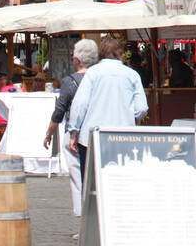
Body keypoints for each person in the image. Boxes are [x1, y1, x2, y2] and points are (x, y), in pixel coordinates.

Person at [68, 36, 149, 183]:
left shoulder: (92, 73)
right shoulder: (132, 75)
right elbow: (142, 108)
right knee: (121, 182)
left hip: (92, 137)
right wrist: (130, 117)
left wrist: (74, 131)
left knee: (91, 184)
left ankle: (93, 206)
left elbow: (80, 105)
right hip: (123, 137)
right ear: (120, 54)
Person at [43, 40, 98, 210]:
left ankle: (84, 219)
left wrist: (49, 132)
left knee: (78, 176)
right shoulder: (99, 78)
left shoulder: (70, 81)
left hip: (76, 133)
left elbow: (59, 111)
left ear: (77, 60)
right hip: (97, 131)